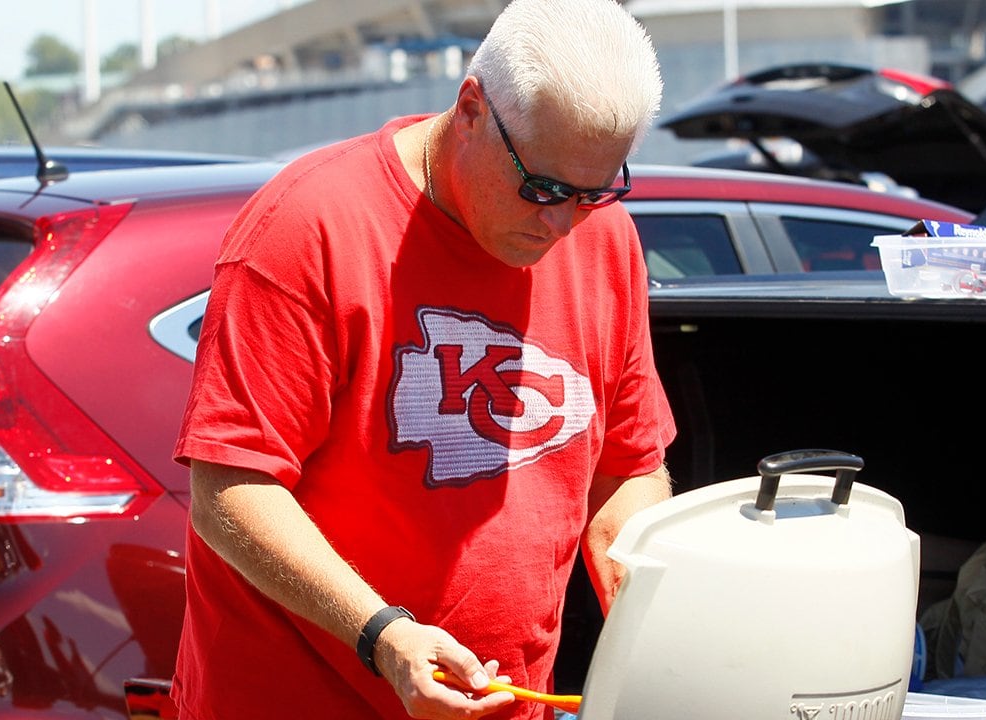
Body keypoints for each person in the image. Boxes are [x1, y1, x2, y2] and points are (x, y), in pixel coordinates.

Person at [171, 0, 674, 717]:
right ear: (471, 109)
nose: (562, 224)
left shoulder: (605, 241)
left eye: (595, 192)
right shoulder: (309, 227)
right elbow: (228, 494)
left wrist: (662, 606)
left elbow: (627, 468)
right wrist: (384, 636)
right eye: (543, 188)